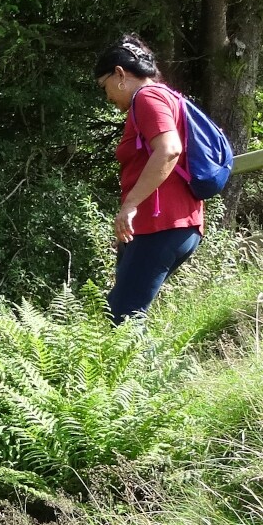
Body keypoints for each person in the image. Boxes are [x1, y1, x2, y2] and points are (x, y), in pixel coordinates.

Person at [94, 35, 203, 322]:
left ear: (119, 74)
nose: (106, 96)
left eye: (103, 86)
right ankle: (147, 367)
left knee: (124, 315)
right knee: (119, 308)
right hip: (173, 225)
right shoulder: (167, 95)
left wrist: (129, 205)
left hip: (162, 225)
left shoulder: (147, 97)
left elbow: (169, 150)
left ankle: (151, 369)